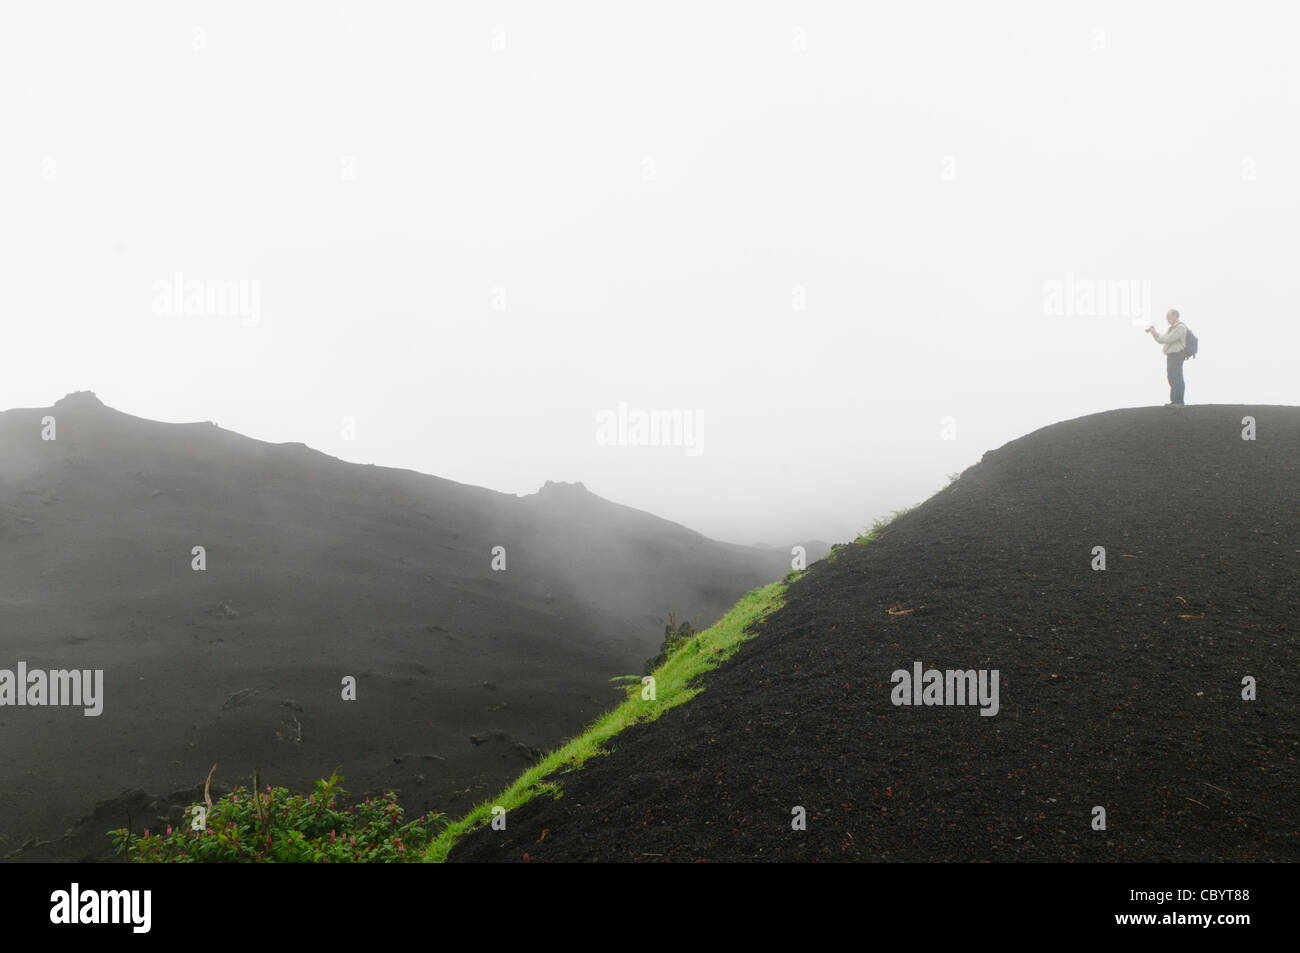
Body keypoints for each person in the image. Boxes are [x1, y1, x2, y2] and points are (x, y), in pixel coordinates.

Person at [1146, 309, 1189, 406]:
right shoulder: (1172, 328)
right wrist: (1154, 333)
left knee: (1176, 377)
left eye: (1168, 317)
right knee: (1171, 377)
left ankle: (1179, 402)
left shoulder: (1180, 327)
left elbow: (1168, 339)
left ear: (1175, 316)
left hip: (1177, 354)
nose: (1167, 319)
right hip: (1171, 355)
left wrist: (1155, 333)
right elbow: (1162, 339)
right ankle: (1174, 401)